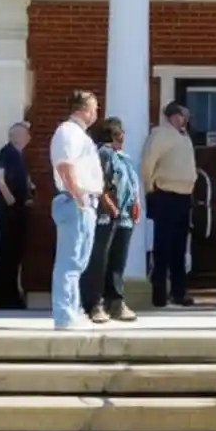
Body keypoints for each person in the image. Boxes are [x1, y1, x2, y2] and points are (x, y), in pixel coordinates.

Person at [49, 89, 105, 331]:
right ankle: (65, 315)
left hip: (83, 201)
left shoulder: (79, 134)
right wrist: (79, 195)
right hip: (75, 201)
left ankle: (73, 308)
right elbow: (65, 165)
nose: (96, 112)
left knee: (78, 261)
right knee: (69, 261)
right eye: (94, 107)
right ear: (83, 108)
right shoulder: (68, 132)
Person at [81, 117, 142, 323]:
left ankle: (115, 300)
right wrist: (109, 204)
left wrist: (136, 202)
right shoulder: (103, 154)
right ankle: (94, 302)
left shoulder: (123, 157)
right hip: (106, 215)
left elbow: (132, 183)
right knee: (100, 259)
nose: (123, 136)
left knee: (118, 259)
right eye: (119, 132)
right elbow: (101, 184)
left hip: (124, 216)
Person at [141, 101, 198, 308]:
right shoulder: (161, 134)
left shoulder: (184, 137)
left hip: (184, 197)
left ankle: (178, 292)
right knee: (162, 247)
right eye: (181, 116)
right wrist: (149, 189)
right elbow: (148, 162)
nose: (184, 120)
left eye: (185, 117)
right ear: (172, 116)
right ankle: (159, 294)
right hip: (165, 194)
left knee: (179, 248)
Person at [0, 121, 33, 309]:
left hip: (19, 207)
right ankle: (2, 294)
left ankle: (11, 292)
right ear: (16, 136)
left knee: (15, 251)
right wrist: (11, 200)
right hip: (10, 209)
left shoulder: (19, 155)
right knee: (8, 250)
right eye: (26, 134)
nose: (29, 138)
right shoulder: (7, 152)